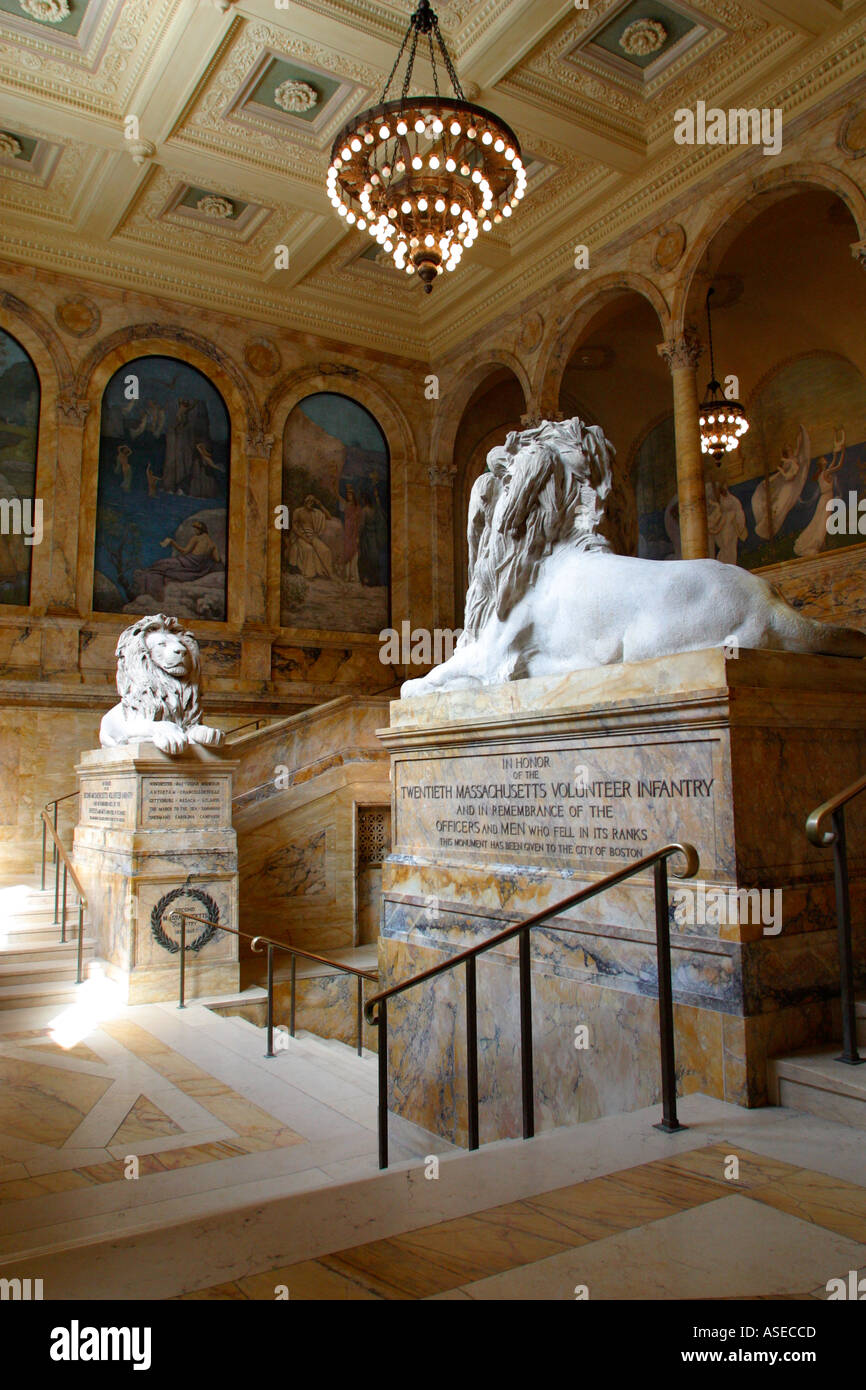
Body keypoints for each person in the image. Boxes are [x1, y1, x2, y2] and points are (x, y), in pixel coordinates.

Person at [135, 520, 222, 602]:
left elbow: (184, 551)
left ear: (201, 529)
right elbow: (217, 559)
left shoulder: (196, 538)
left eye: (196, 529)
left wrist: (172, 542)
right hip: (198, 566)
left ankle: (153, 591)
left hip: (188, 561)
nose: (194, 531)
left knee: (161, 564)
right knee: (163, 566)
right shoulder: (212, 544)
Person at [751, 425, 810, 539]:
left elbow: (788, 477)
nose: (790, 450)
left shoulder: (794, 461)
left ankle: (771, 529)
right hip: (785, 487)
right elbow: (781, 475)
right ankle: (767, 528)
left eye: (789, 448)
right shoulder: (788, 461)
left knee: (780, 508)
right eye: (787, 449)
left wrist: (801, 435)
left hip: (789, 488)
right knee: (775, 506)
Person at [794, 429, 845, 558]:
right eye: (824, 460)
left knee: (819, 521)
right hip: (827, 500)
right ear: (822, 463)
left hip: (825, 500)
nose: (825, 460)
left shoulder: (822, 474)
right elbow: (838, 465)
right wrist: (842, 451)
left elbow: (835, 463)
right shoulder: (826, 473)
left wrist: (837, 451)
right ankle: (816, 543)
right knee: (823, 523)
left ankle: (819, 544)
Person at [287, 494, 335, 579]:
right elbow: (294, 527)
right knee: (309, 549)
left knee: (326, 550)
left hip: (312, 537)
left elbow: (329, 517)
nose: (311, 503)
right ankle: (309, 574)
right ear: (305, 501)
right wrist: (304, 538)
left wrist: (320, 505)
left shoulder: (316, 512)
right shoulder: (298, 511)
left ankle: (325, 573)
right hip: (300, 536)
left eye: (313, 501)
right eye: (309, 501)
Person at [341, 483, 362, 583]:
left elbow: (358, 520)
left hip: (354, 530)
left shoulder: (357, 507)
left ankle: (353, 576)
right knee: (347, 552)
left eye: (350, 495)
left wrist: (357, 534)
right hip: (347, 530)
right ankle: (347, 576)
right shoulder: (346, 505)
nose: (349, 496)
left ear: (353, 496)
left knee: (354, 552)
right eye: (348, 495)